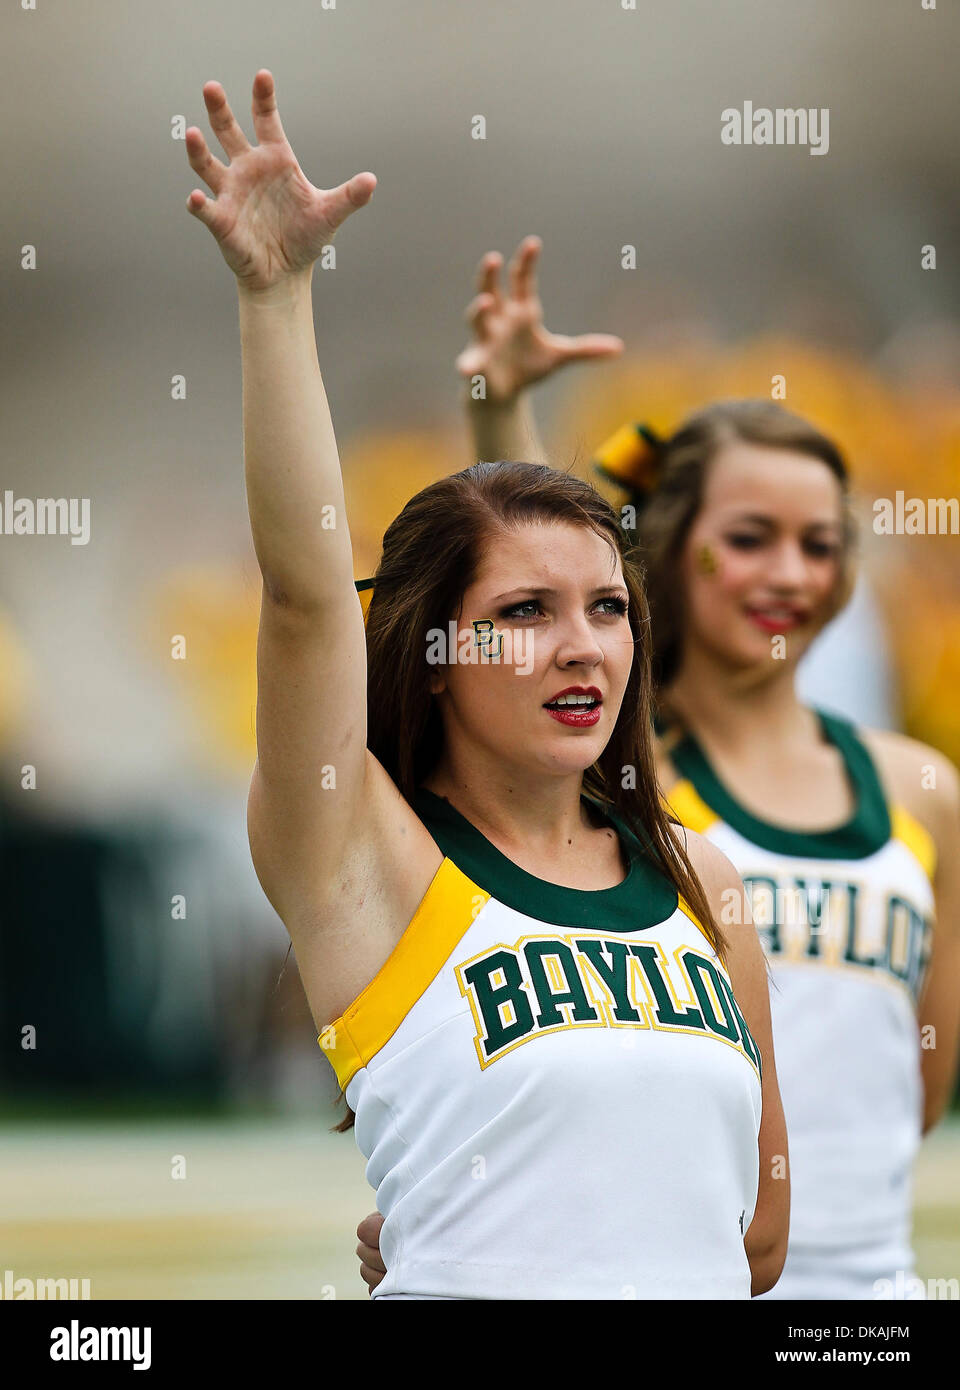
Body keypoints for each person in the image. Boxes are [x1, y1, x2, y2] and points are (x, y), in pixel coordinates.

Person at [185, 73, 788, 1300]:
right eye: (525, 615)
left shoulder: (701, 881)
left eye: (610, 609)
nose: (588, 648)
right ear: (433, 656)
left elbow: (761, 1248)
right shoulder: (365, 857)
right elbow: (306, 602)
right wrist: (277, 296)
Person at [355, 239, 960, 1300]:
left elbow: (917, 1094)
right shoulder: (619, 790)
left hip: (860, 1296)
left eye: (822, 544)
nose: (788, 573)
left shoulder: (922, 793)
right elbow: (533, 556)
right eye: (749, 537)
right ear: (672, 555)